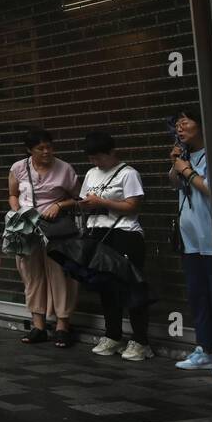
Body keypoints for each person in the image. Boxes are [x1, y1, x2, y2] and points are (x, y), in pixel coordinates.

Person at [77, 131, 152, 361]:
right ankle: (113, 334)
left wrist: (102, 202)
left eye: (99, 157)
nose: (95, 162)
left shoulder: (128, 174)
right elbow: (83, 200)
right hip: (99, 232)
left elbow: (133, 206)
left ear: (111, 152)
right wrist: (88, 205)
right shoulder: (91, 173)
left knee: (131, 287)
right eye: (91, 158)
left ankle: (141, 341)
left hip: (125, 233)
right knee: (106, 287)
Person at [8, 128, 82, 348]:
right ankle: (38, 325)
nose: (47, 151)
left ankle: (62, 326)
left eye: (49, 146)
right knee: (31, 276)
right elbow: (13, 194)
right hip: (27, 228)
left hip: (55, 229)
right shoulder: (18, 168)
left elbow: (79, 199)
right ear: (29, 150)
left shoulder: (65, 168)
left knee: (60, 275)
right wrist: (17, 212)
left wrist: (59, 205)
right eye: (40, 148)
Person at [168, 106, 212, 375]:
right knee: (198, 295)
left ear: (202, 125)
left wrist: (188, 170)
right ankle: (205, 348)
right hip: (191, 240)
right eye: (177, 124)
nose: (179, 128)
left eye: (184, 122)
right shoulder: (187, 155)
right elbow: (176, 184)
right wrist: (176, 164)